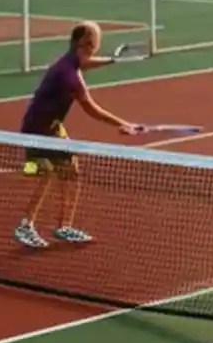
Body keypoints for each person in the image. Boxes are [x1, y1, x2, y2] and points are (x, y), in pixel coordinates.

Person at [14, 21, 137, 249]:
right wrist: (123, 123)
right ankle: (25, 225)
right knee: (46, 173)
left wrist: (111, 60)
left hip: (53, 128)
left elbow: (85, 63)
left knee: (71, 171)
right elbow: (91, 109)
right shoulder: (68, 75)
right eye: (96, 37)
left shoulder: (70, 60)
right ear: (86, 42)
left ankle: (64, 226)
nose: (98, 41)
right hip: (35, 131)